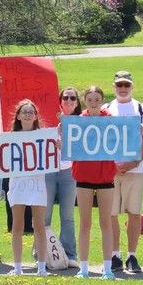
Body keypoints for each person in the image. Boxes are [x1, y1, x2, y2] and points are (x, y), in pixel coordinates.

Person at [103, 70, 143, 273]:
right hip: (111, 171)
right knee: (112, 214)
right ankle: (115, 255)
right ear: (113, 87)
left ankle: (132, 255)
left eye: (126, 85)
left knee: (134, 213)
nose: (123, 88)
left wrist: (132, 163)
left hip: (136, 170)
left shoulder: (142, 108)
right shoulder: (107, 108)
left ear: (132, 87)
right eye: (119, 85)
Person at [72, 86, 118, 279]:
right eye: (89, 99)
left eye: (96, 99)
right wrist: (62, 135)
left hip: (105, 176)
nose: (93, 103)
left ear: (102, 100)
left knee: (105, 222)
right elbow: (69, 145)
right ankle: (84, 268)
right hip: (83, 177)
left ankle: (107, 268)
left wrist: (135, 130)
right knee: (85, 224)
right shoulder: (77, 122)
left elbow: (123, 140)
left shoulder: (111, 120)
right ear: (85, 101)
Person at [5, 99, 50, 276]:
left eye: (31, 112)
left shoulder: (44, 136)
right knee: (17, 225)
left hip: (37, 183)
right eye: (24, 111)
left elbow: (54, 155)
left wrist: (58, 146)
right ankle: (17, 267)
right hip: (17, 183)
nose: (28, 114)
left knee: (39, 225)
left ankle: (41, 267)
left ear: (36, 116)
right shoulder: (9, 137)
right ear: (18, 115)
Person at [44, 86, 82, 269]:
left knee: (67, 215)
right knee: (45, 214)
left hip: (69, 172)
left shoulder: (82, 122)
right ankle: (42, 254)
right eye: (65, 97)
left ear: (77, 102)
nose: (68, 100)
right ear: (59, 101)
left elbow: (83, 148)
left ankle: (70, 254)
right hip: (49, 171)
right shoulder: (49, 119)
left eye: (72, 98)